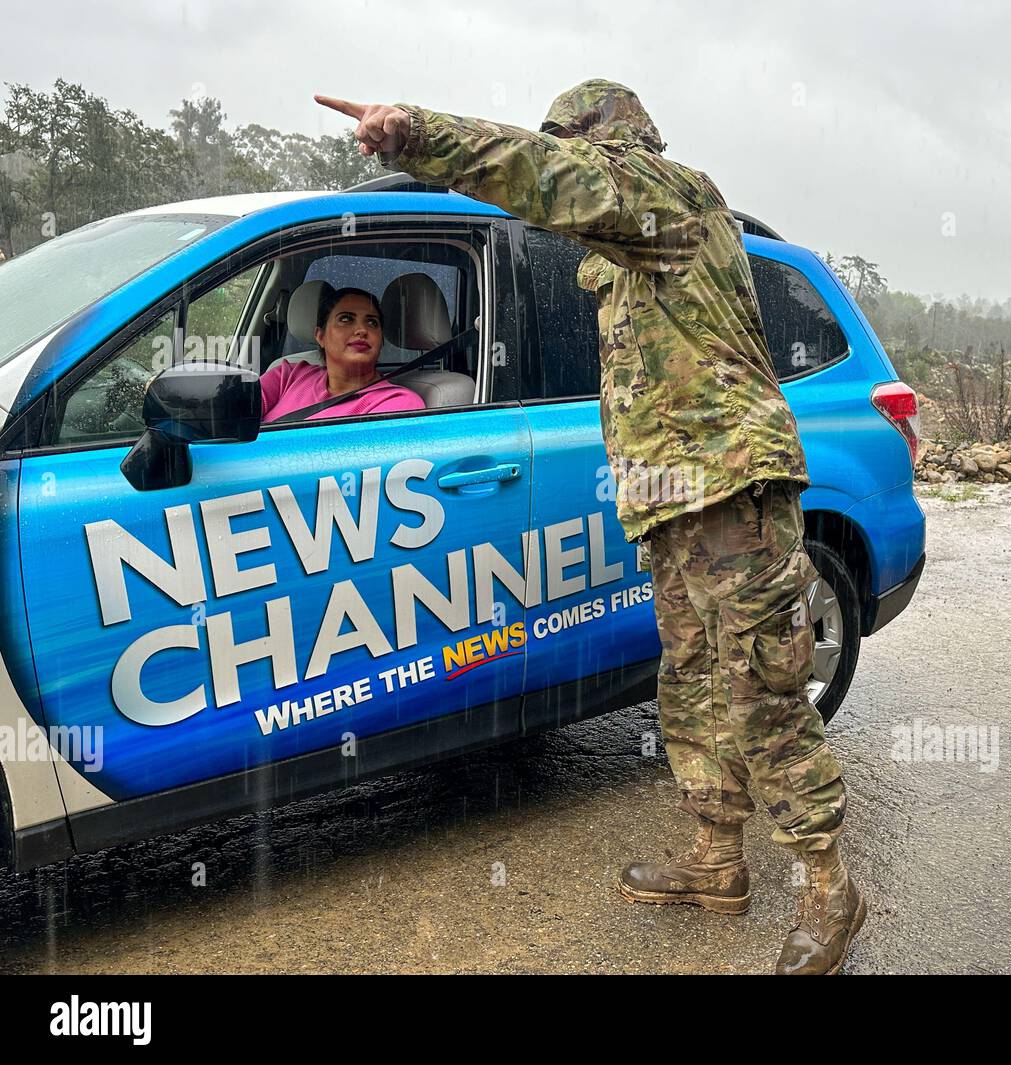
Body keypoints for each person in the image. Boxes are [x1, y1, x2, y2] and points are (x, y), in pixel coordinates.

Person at [316, 80, 865, 975]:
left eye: (579, 152)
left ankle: (827, 884)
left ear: (610, 146)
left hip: (730, 489)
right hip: (672, 501)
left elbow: (544, 174)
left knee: (764, 687)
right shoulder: (620, 256)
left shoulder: (669, 196)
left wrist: (418, 133)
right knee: (689, 680)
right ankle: (716, 859)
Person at [261, 285, 424, 423]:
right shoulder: (288, 375)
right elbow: (239, 408)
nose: (362, 330)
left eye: (372, 322)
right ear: (320, 336)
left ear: (380, 339)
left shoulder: (398, 404)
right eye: (346, 319)